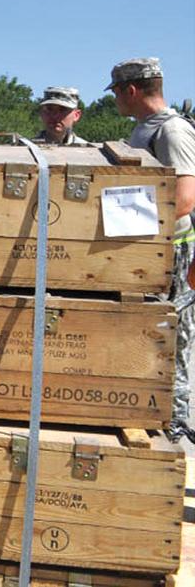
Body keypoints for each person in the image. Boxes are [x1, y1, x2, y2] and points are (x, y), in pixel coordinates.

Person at [108, 57, 195, 442]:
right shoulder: (145, 130)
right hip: (151, 254)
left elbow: (186, 196)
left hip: (172, 255)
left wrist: (132, 225)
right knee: (148, 336)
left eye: (116, 93)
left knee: (172, 338)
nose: (114, 100)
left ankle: (175, 424)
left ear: (131, 91)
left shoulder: (172, 131)